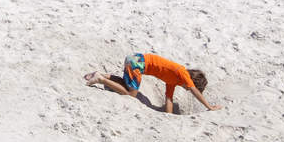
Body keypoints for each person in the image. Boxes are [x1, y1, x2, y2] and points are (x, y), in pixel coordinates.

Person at [85, 54, 217, 113]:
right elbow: (194, 90)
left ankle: (101, 74)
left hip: (135, 59)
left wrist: (169, 117)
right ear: (192, 81)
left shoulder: (173, 80)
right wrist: (209, 106)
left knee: (126, 85)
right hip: (138, 64)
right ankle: (100, 79)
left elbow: (169, 100)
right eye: (188, 88)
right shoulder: (183, 73)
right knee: (131, 93)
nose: (187, 89)